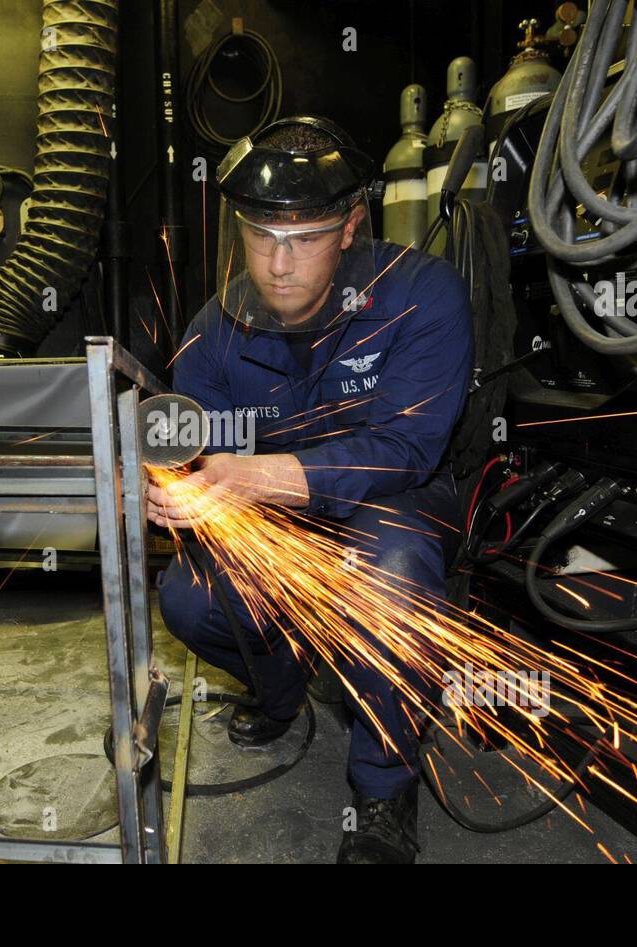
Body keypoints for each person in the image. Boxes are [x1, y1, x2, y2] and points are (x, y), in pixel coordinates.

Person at [147, 115, 474, 864]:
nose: (278, 264)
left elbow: (406, 450)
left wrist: (252, 474)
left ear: (352, 225)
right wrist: (174, 489)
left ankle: (384, 786)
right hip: (277, 523)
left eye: (304, 237)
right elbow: (194, 460)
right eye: (261, 236)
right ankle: (283, 684)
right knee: (188, 596)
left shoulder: (423, 297)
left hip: (395, 507)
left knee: (389, 572)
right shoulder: (211, 334)